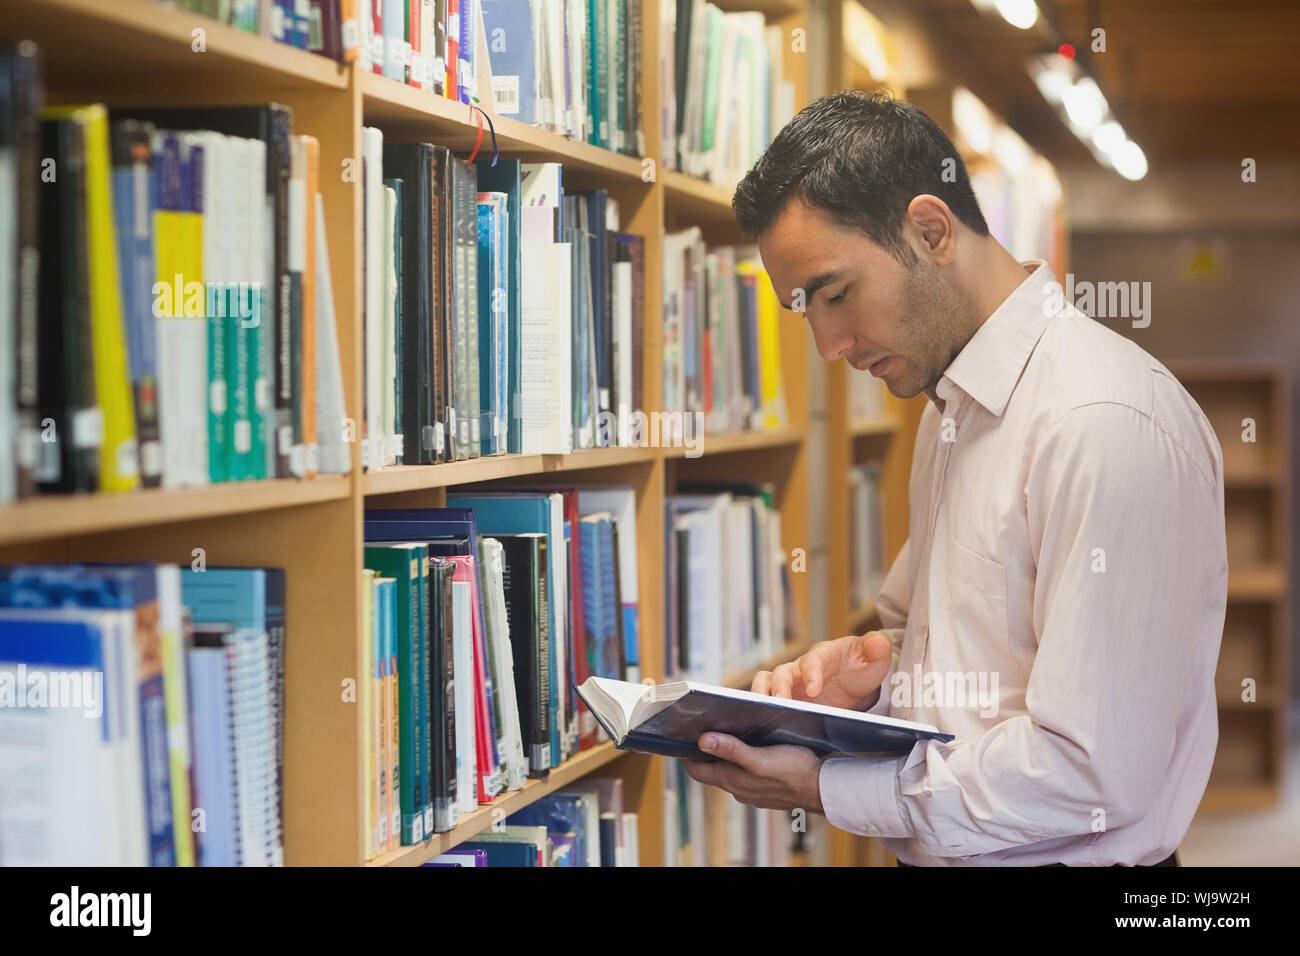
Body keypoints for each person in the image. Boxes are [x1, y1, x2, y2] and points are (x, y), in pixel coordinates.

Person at [682, 90, 1227, 867]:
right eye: (805, 309)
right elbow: (968, 642)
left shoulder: (1101, 422)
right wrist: (876, 674)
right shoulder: (951, 407)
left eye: (837, 294)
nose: (829, 344)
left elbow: (1092, 771)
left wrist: (829, 789)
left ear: (931, 231)